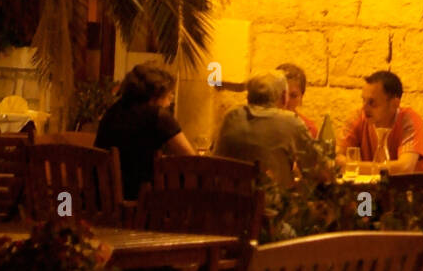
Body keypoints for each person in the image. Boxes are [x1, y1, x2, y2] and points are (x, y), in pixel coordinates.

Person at [95, 62, 195, 200]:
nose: (170, 102)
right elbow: (192, 159)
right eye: (170, 95)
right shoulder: (158, 116)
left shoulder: (112, 112)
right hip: (143, 204)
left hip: (105, 201)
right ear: (156, 95)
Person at [215, 71, 326, 187]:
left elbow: (215, 162)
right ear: (284, 97)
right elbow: (319, 172)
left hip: (227, 201)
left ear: (248, 96)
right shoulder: (290, 122)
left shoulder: (231, 117)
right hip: (271, 202)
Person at [337, 70, 423, 174]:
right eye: (363, 100)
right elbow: (336, 158)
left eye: (372, 102)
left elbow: (405, 167)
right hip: (367, 188)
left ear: (394, 104)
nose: (364, 108)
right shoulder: (358, 117)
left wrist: (352, 166)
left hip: (407, 189)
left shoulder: (409, 119)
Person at [276, 62, 318, 138]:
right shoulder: (260, 125)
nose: (286, 100)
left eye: (293, 96)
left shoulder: (308, 129)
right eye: (282, 94)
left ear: (301, 98)